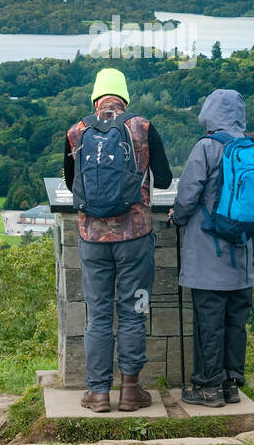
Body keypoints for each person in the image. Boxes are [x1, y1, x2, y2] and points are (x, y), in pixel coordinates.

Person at [63, 67, 172, 412]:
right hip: (135, 237)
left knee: (97, 314)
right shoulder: (142, 128)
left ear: (96, 98)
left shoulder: (76, 132)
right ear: (124, 98)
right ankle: (130, 391)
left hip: (92, 238)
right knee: (133, 311)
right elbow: (167, 180)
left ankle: (97, 393)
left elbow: (71, 184)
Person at [170, 89, 254, 407]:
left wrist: (176, 217)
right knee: (235, 323)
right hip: (243, 255)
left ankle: (207, 388)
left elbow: (188, 196)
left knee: (208, 322)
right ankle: (231, 386)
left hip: (209, 256)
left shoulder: (206, 148)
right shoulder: (252, 148)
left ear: (209, 114)